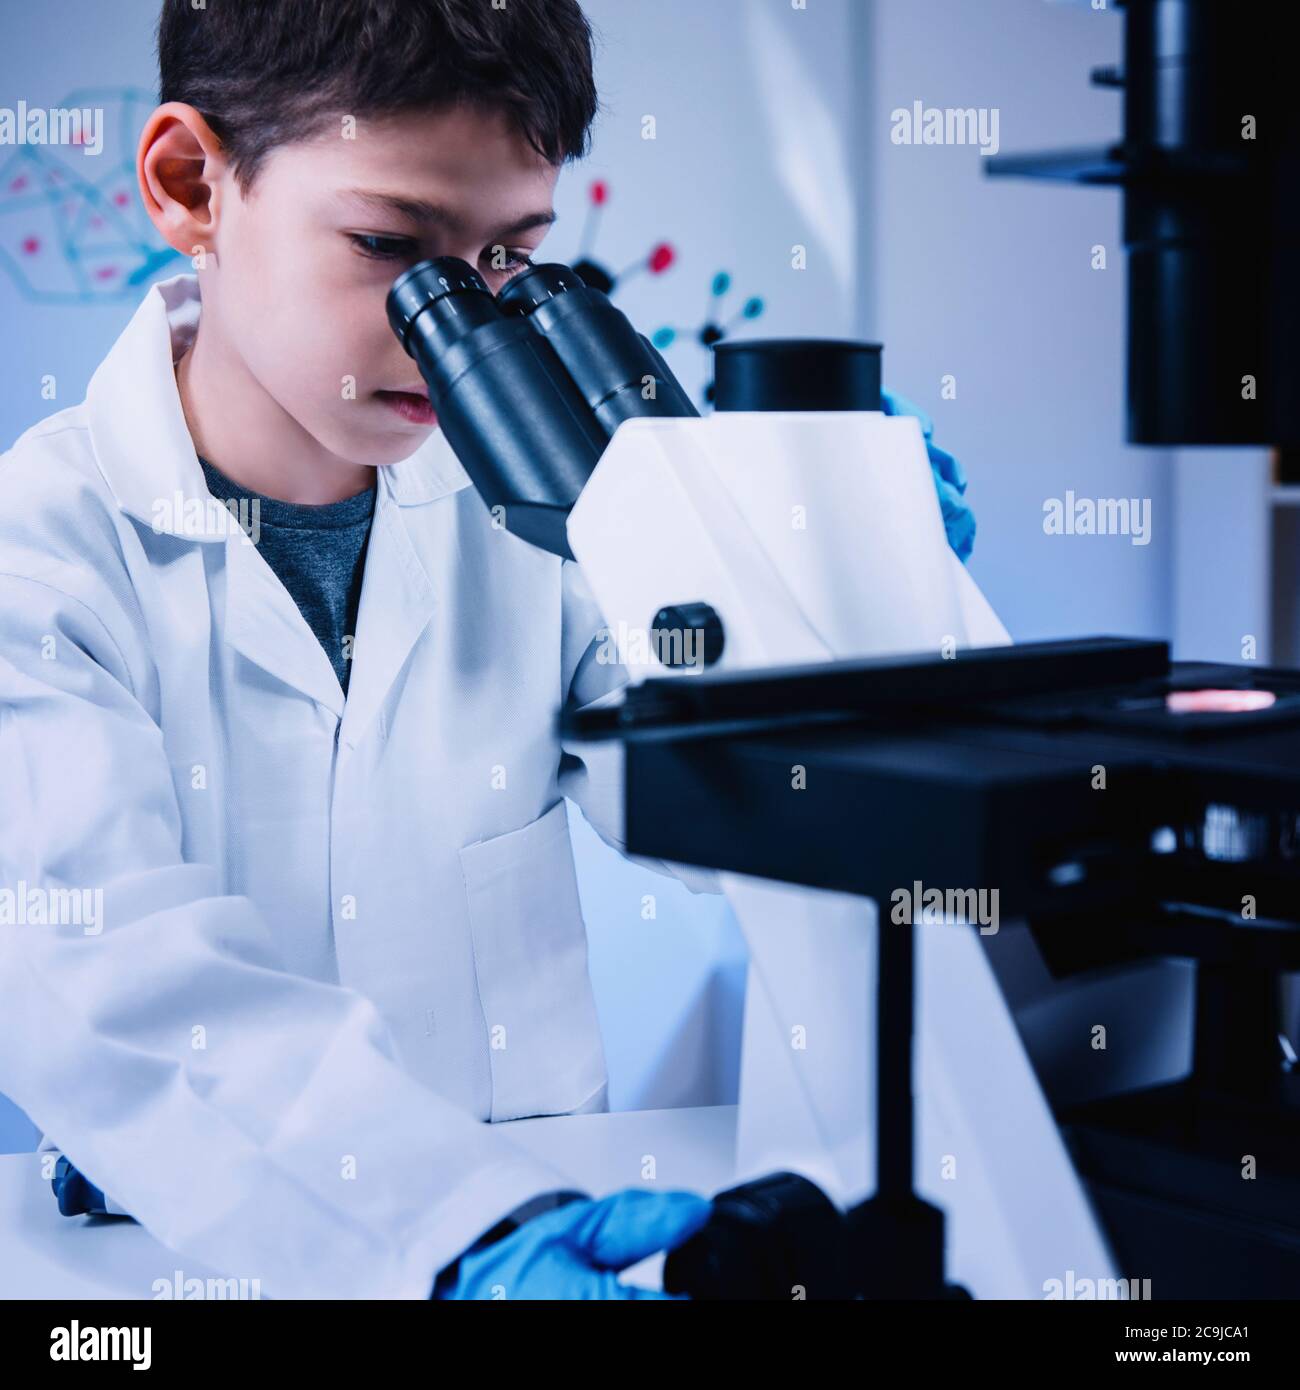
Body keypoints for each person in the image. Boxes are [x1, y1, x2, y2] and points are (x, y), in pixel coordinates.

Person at [0, 0, 972, 1300]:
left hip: (567, 1220)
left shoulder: (540, 515)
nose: (443, 317)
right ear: (194, 184)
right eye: (392, 246)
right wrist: (461, 1237)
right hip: (172, 1271)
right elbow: (106, 975)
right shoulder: (42, 553)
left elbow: (740, 808)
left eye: (509, 262)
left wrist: (843, 597)